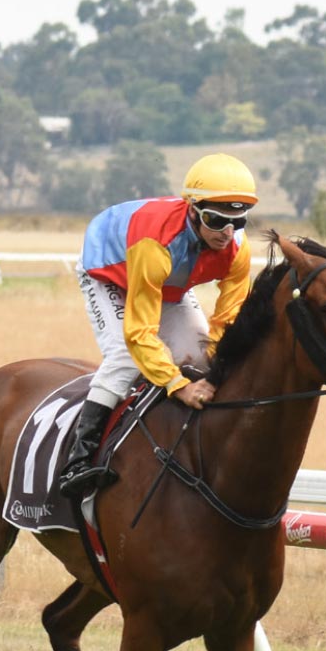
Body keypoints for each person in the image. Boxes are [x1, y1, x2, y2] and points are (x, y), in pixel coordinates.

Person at [53, 153, 256, 498]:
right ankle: (79, 460)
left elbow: (228, 318)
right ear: (193, 209)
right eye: (216, 219)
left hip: (167, 281)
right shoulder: (157, 242)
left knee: (199, 356)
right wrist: (178, 386)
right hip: (110, 272)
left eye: (237, 222)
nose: (227, 233)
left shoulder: (237, 248)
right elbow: (139, 333)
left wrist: (217, 368)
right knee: (126, 356)